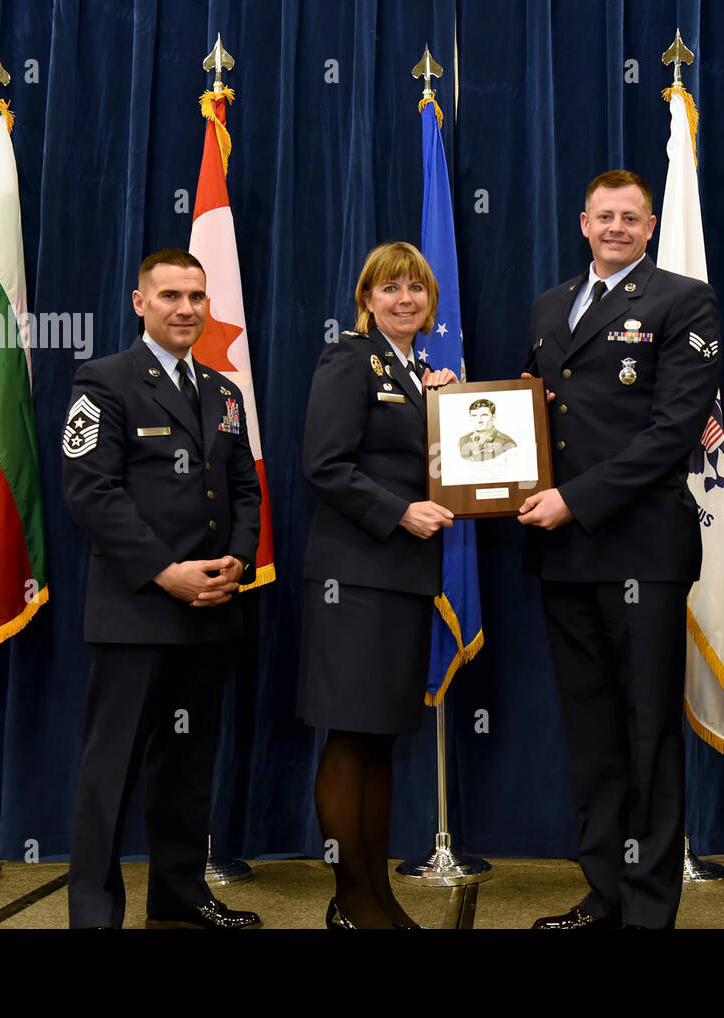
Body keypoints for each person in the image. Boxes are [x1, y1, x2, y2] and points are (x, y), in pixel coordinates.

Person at [518, 170, 721, 929]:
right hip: (562, 558)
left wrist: (575, 498)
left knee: (647, 737)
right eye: (603, 216)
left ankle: (647, 910)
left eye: (629, 218)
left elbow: (673, 434)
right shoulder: (549, 304)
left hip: (643, 552)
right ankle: (604, 892)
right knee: (593, 737)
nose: (615, 228)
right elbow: (533, 414)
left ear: (649, 224)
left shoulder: (682, 300)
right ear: (583, 221)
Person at [61, 248, 262, 929]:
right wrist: (163, 572)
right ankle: (93, 913)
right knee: (110, 770)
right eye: (171, 296)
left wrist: (236, 560)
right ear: (140, 302)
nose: (186, 309)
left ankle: (180, 896)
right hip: (137, 612)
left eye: (197, 297)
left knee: (188, 764)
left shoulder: (224, 392)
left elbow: (244, 490)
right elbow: (91, 493)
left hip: (210, 611)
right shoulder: (104, 381)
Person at [298, 241, 458, 929]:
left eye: (415, 290)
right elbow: (324, 466)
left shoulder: (422, 373)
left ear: (430, 302)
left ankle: (377, 896)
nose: (403, 300)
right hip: (353, 583)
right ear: (365, 300)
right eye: (389, 289)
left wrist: (445, 410)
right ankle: (351, 900)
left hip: (403, 582)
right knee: (349, 738)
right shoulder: (348, 359)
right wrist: (399, 511)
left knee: (382, 740)